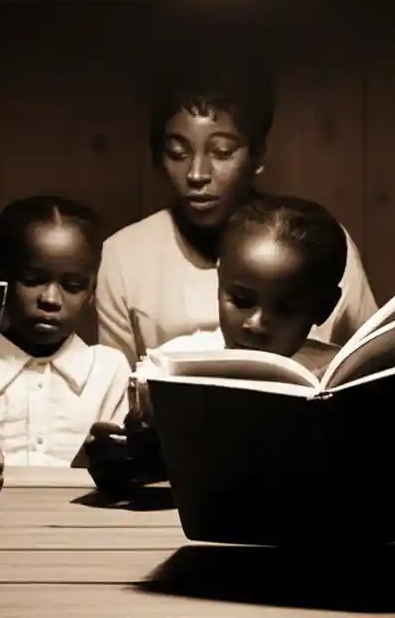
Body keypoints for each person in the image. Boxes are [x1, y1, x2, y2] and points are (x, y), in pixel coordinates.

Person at [96, 61, 377, 362]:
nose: (197, 173)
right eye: (178, 152)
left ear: (257, 155)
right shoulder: (124, 254)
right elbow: (120, 385)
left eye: (222, 152)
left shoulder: (316, 242)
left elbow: (366, 358)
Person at [85, 195, 349, 488]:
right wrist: (120, 458)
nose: (256, 324)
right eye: (241, 300)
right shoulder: (170, 367)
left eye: (284, 309)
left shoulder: (341, 379)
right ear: (220, 275)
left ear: (324, 307)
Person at [0, 196, 132, 467]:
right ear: (0, 278)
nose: (50, 299)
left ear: (92, 290)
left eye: (72, 285)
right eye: (33, 281)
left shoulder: (108, 371)